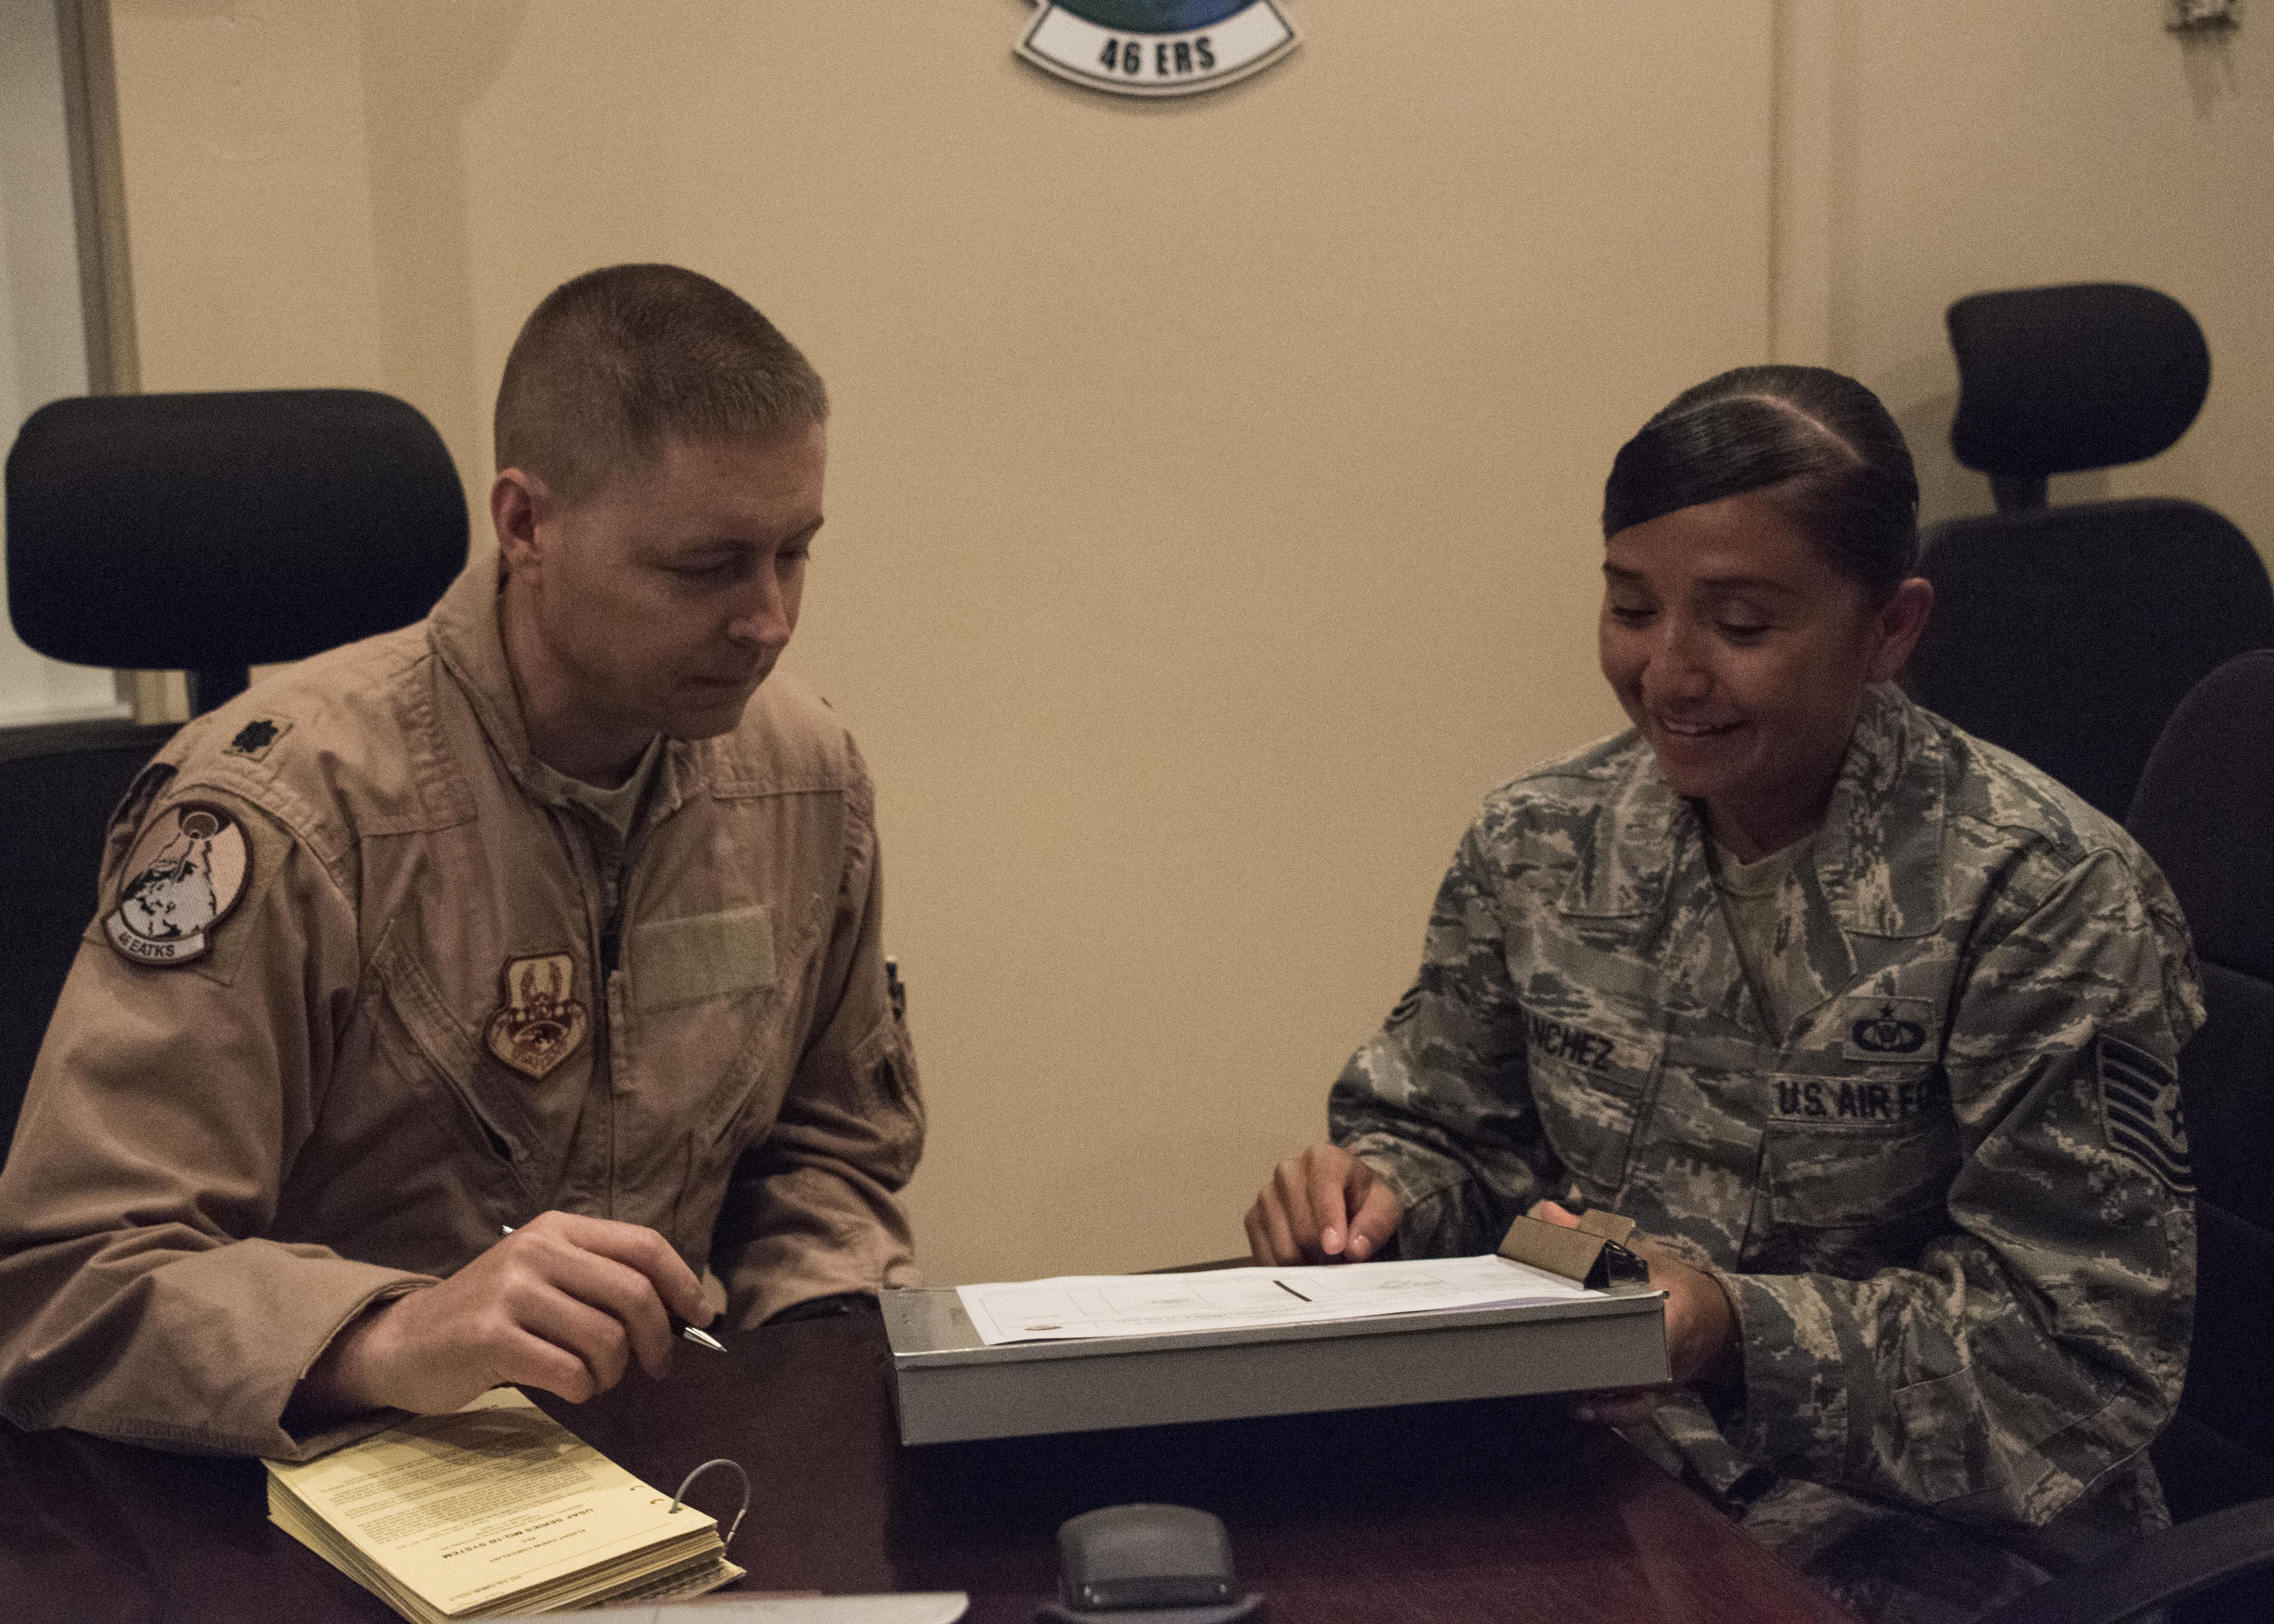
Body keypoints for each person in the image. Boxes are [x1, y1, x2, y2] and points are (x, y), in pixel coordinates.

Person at [1246, 366, 2200, 1624]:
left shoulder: (2037, 893)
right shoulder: (1543, 838)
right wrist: (1375, 1197)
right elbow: (1455, 1139)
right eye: (1629, 609)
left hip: (1934, 1537)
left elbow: (2074, 1360)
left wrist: (1727, 1331)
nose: (1667, 675)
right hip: (1611, 1472)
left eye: (1739, 625)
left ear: (1891, 628)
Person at [0, 264, 924, 1459]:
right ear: (528, 525)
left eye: (792, 554)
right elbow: (71, 1280)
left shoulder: (801, 773)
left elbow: (827, 1156)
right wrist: (389, 1335)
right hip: (323, 1472)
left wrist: (820, 1358)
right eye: (706, 567)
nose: (770, 621)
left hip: (664, 1456)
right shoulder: (282, 810)